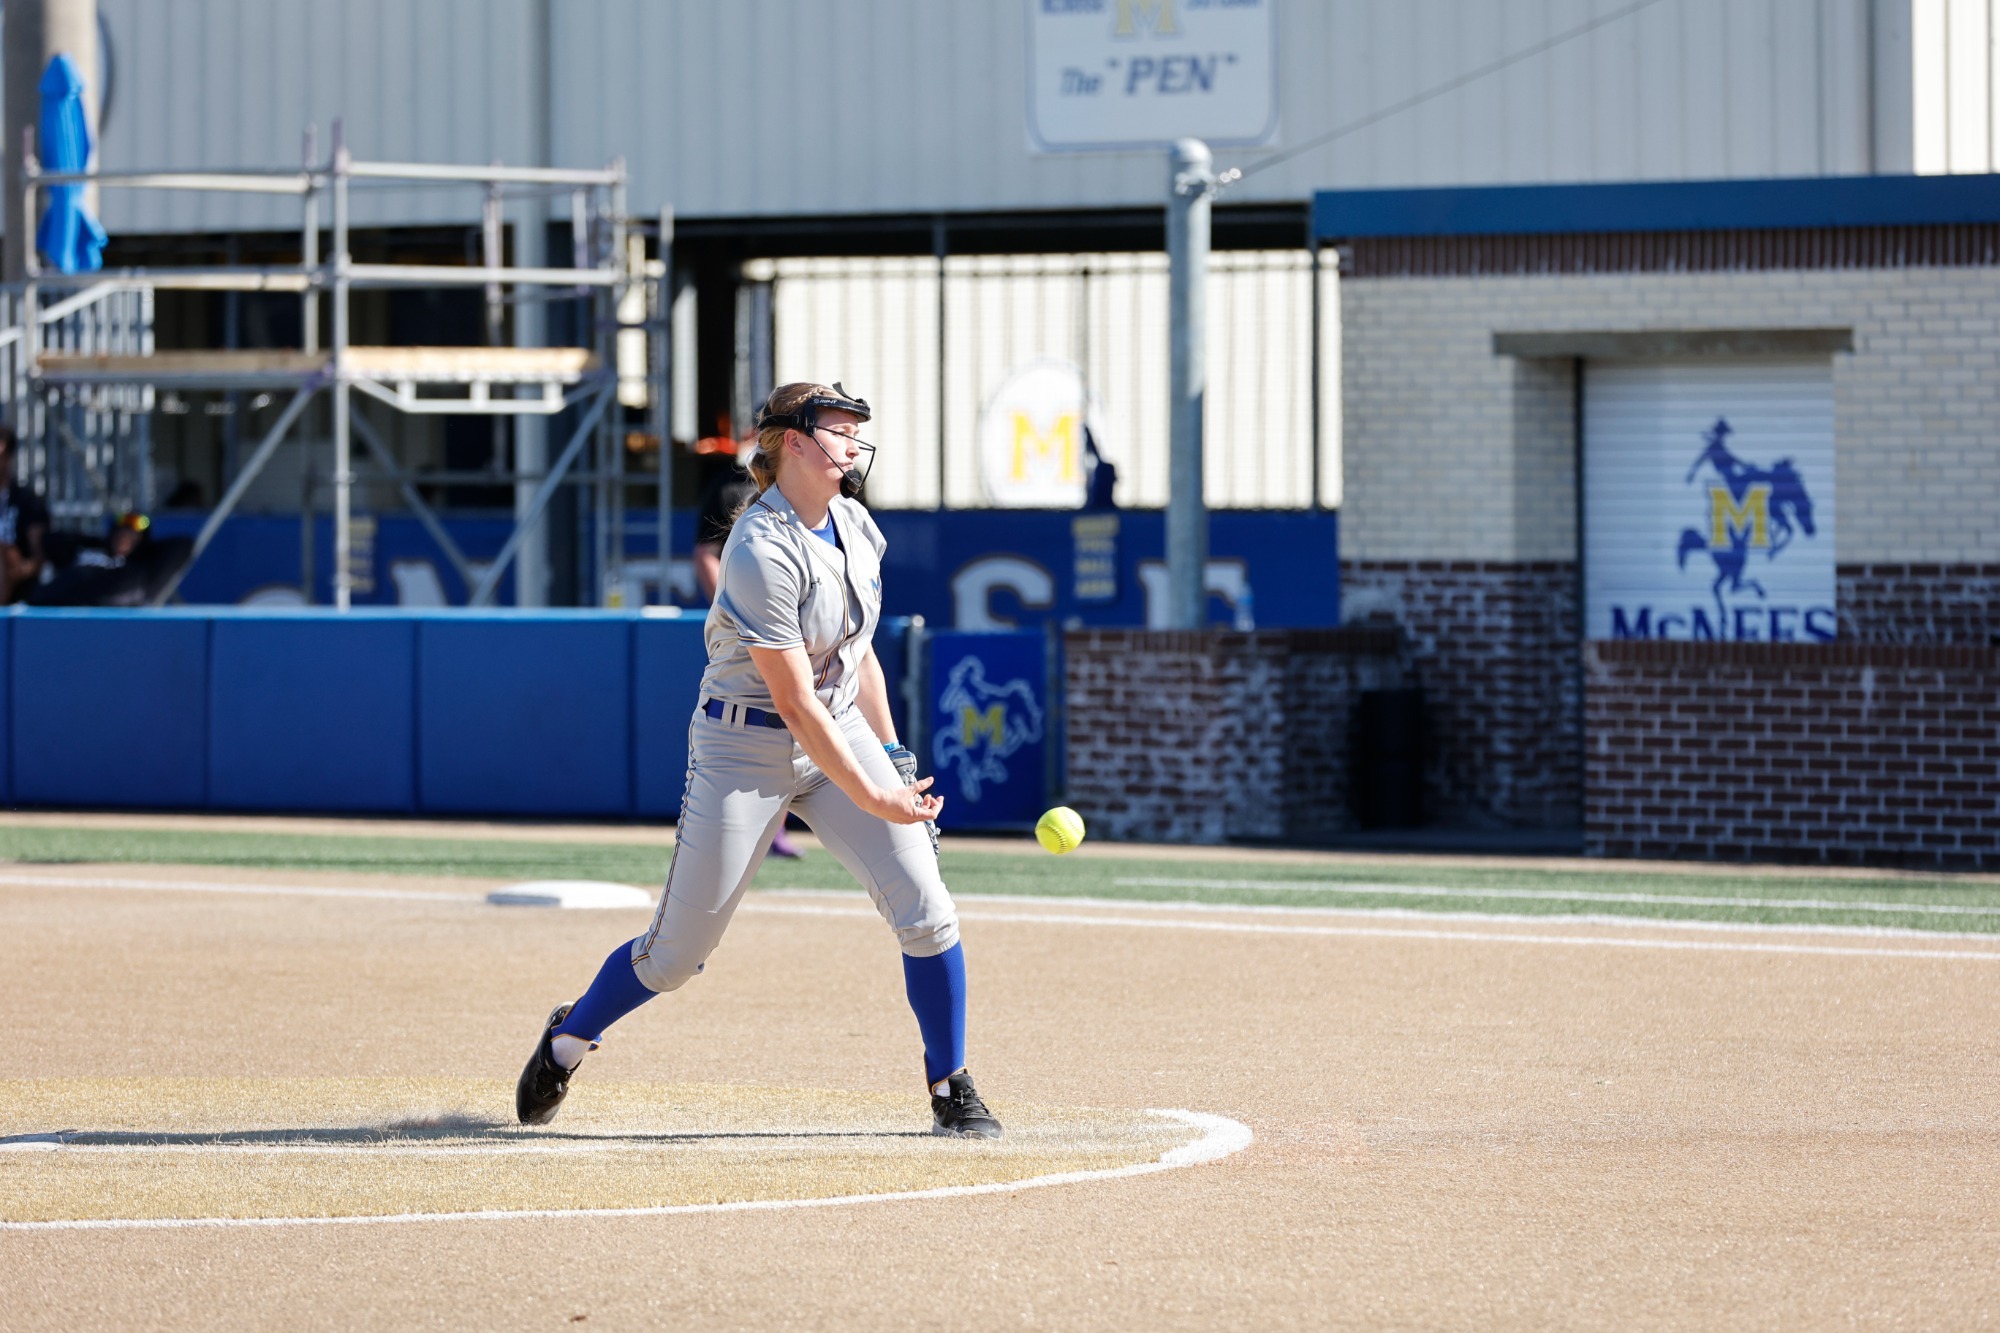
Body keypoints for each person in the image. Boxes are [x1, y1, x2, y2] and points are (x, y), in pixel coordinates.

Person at [516, 381, 1002, 1140]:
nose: (851, 441)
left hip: (837, 729)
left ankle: (951, 1081)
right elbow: (796, 704)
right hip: (744, 743)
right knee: (676, 954)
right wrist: (877, 800)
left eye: (853, 429)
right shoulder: (758, 546)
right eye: (836, 429)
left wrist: (895, 761)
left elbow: (858, 659)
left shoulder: (857, 527)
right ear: (793, 443)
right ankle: (568, 1038)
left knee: (928, 908)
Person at [693, 444, 802, 859]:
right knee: (745, 719)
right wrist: (731, 605)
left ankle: (774, 824)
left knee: (794, 721)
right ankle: (741, 825)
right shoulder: (730, 487)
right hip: (743, 635)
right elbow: (705, 552)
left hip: (793, 628)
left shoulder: (814, 499)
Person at [0, 425, 50, 604]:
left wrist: (17, 569)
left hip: (18, 589)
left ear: (9, 458)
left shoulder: (28, 501)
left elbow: (38, 557)